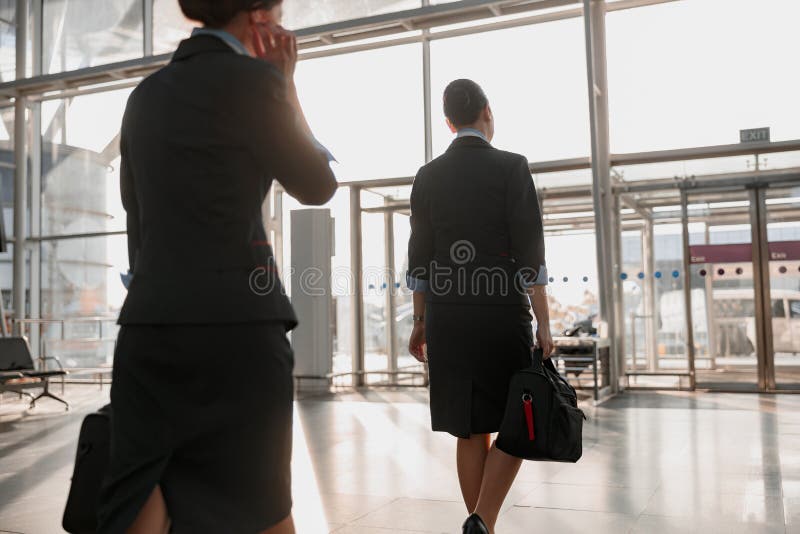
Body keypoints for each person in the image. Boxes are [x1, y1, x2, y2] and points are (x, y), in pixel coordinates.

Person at [97, 1, 337, 533]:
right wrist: (287, 87)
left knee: (145, 489)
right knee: (261, 503)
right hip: (239, 328)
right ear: (258, 19)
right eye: (279, 13)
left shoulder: (144, 96)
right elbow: (317, 184)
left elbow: (137, 223)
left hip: (151, 327)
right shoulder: (257, 82)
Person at [406, 79, 553, 534]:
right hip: (501, 314)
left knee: (469, 429)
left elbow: (419, 259)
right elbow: (530, 254)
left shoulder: (428, 175)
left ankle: (479, 525)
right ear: (487, 112)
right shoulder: (512, 167)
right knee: (517, 421)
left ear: (448, 122)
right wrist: (544, 325)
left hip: (447, 315)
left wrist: (420, 321)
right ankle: (482, 521)